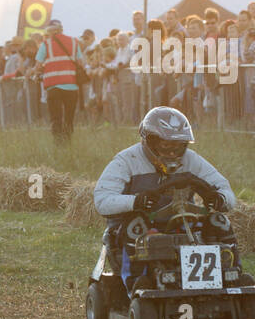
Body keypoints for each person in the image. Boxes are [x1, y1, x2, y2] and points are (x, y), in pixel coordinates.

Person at [93, 107, 236, 293]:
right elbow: (102, 200)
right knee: (136, 223)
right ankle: (137, 285)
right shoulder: (127, 160)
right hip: (134, 230)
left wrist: (218, 199)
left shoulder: (191, 160)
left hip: (181, 225)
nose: (171, 153)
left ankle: (232, 276)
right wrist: (136, 202)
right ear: (149, 142)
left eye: (177, 146)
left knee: (219, 221)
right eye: (165, 146)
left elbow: (227, 192)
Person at [34, 19, 84, 143]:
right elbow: (80, 62)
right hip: (71, 86)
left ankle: (58, 144)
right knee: (69, 118)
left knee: (56, 118)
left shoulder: (46, 45)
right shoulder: (74, 42)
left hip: (53, 87)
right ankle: (68, 142)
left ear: (51, 31)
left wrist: (36, 73)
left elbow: (38, 66)